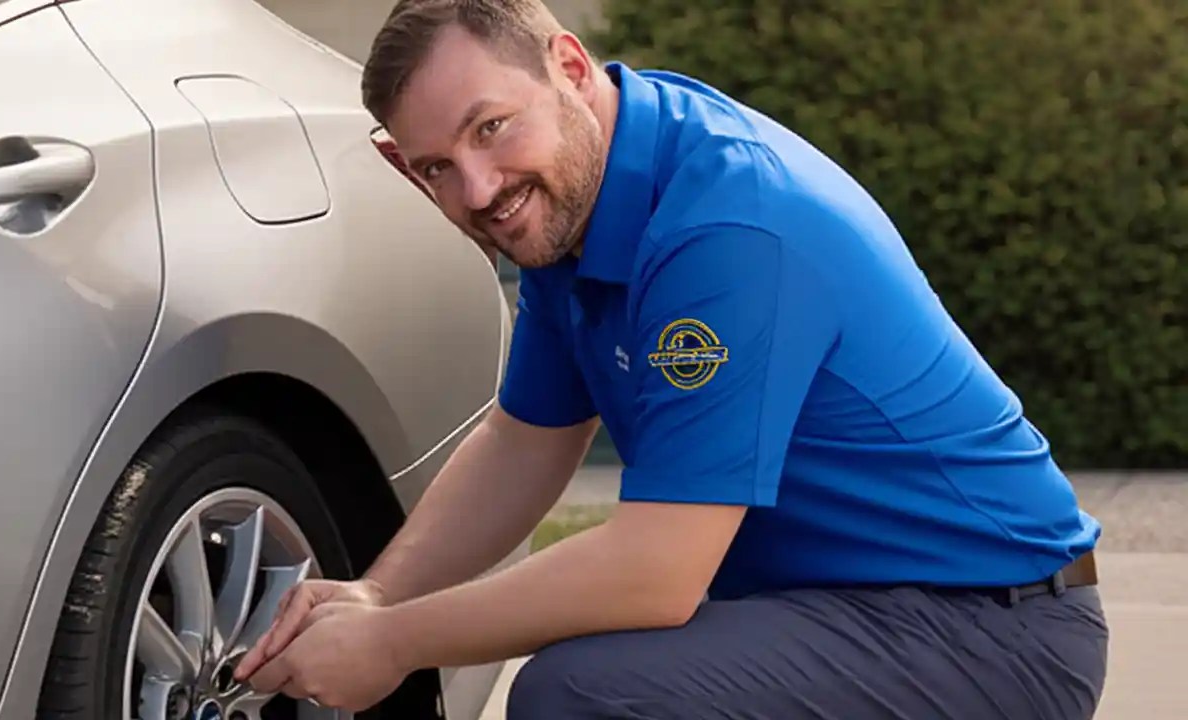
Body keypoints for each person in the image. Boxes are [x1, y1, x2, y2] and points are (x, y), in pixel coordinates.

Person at [234, 1, 1109, 716]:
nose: (479, 190)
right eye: (436, 168)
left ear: (570, 68)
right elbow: (525, 442)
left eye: (492, 128)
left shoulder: (724, 229)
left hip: (987, 627)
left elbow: (655, 574)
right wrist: (376, 596)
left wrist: (395, 642)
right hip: (844, 604)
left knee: (584, 696)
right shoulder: (578, 200)